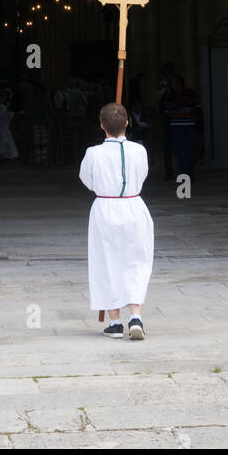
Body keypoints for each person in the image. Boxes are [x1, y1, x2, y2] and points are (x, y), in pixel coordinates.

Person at [78, 103, 154, 340]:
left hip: (106, 208)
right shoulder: (139, 150)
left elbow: (87, 180)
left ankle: (114, 322)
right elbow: (143, 175)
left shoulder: (93, 153)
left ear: (102, 126)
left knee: (107, 262)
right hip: (134, 206)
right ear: (127, 123)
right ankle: (135, 315)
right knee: (136, 261)